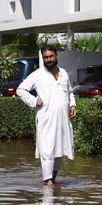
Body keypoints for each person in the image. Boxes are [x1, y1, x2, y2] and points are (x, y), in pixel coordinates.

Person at [17, 45, 77, 184]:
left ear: (56, 56)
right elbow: (20, 90)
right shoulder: (38, 74)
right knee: (47, 150)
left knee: (60, 150)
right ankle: (48, 183)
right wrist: (34, 100)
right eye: (45, 57)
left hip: (63, 120)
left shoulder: (64, 73)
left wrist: (73, 105)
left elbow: (70, 92)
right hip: (46, 119)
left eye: (51, 56)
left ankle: (52, 181)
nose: (48, 60)